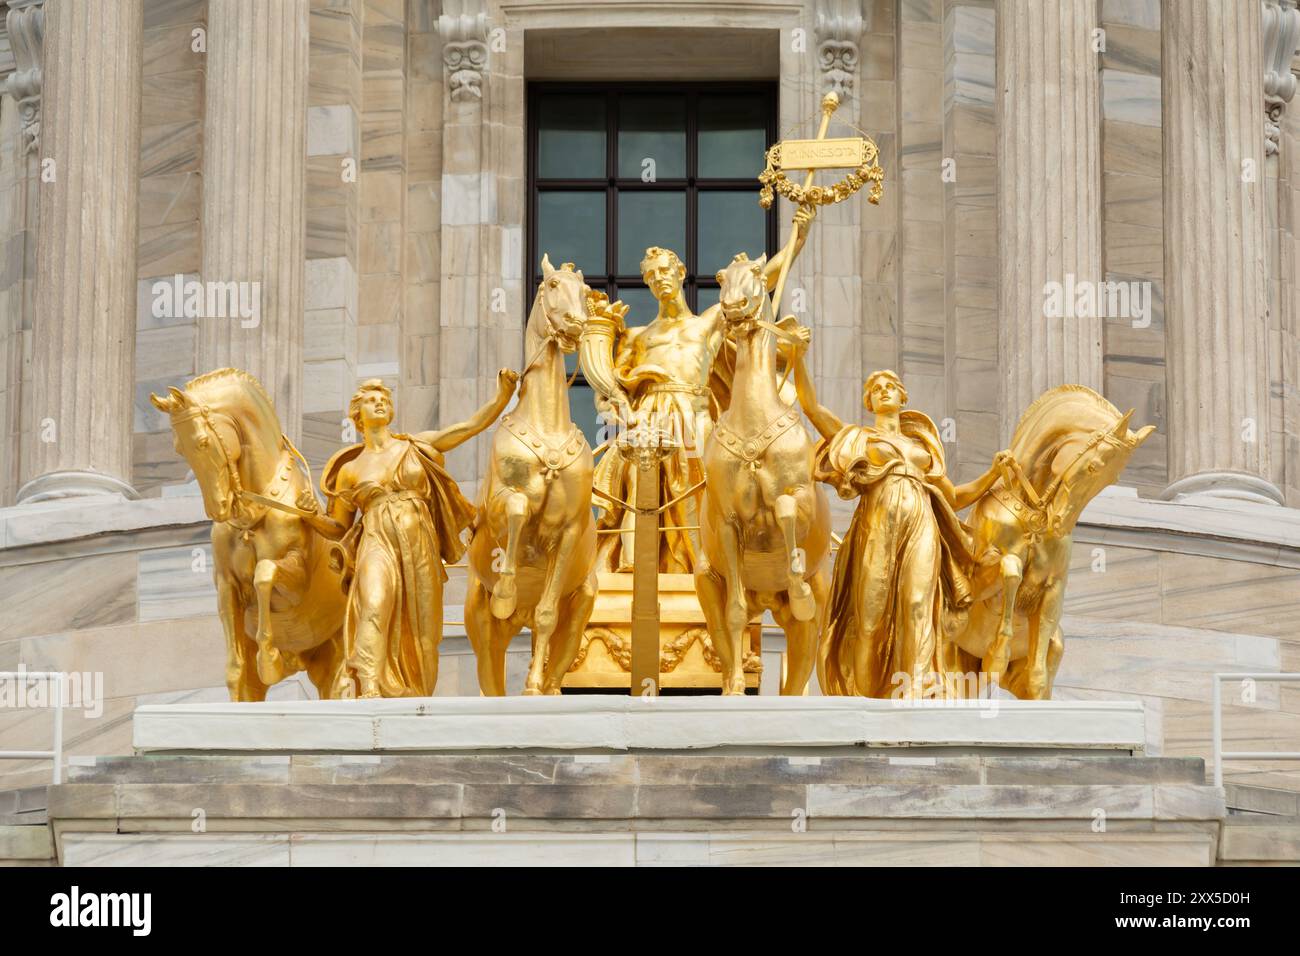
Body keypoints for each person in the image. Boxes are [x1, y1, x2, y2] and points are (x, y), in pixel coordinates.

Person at [792, 351, 1007, 698]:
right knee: (869, 620)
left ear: (903, 396)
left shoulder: (923, 448)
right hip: (877, 526)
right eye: (876, 388)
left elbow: (952, 497)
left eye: (890, 385)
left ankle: (918, 686)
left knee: (919, 602)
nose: (884, 390)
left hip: (922, 521)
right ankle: (862, 695)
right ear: (869, 401)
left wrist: (993, 473)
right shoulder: (859, 439)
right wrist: (799, 358)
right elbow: (813, 409)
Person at [298, 370, 517, 697]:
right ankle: (369, 684)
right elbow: (339, 527)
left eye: (384, 399)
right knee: (373, 601)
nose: (380, 403)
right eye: (372, 401)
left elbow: (468, 428)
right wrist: (310, 515)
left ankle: (419, 695)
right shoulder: (350, 469)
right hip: (376, 541)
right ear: (358, 416)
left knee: (424, 630)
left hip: (419, 544)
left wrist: (502, 397)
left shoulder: (417, 445)